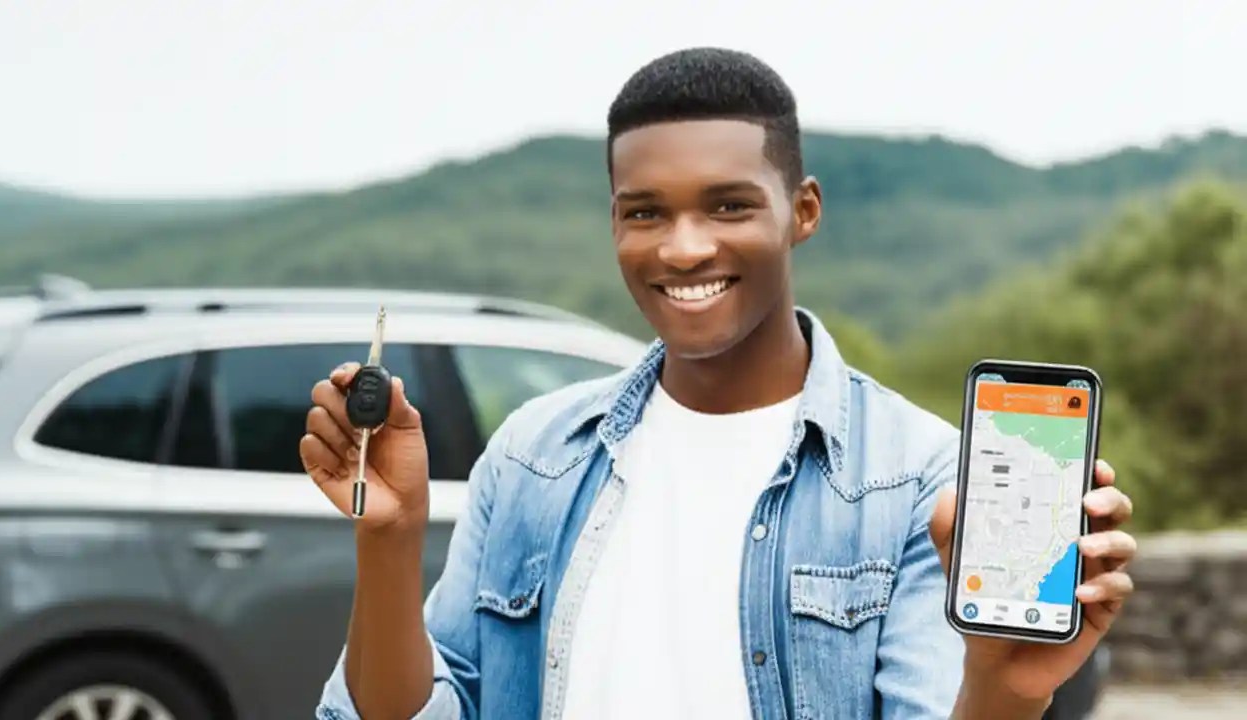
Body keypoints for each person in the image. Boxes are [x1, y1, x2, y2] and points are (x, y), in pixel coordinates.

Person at [303, 47, 1137, 720]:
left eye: (729, 206)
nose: (683, 248)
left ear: (802, 211)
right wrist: (389, 538)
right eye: (645, 212)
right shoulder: (533, 454)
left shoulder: (920, 478)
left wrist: (1008, 690)